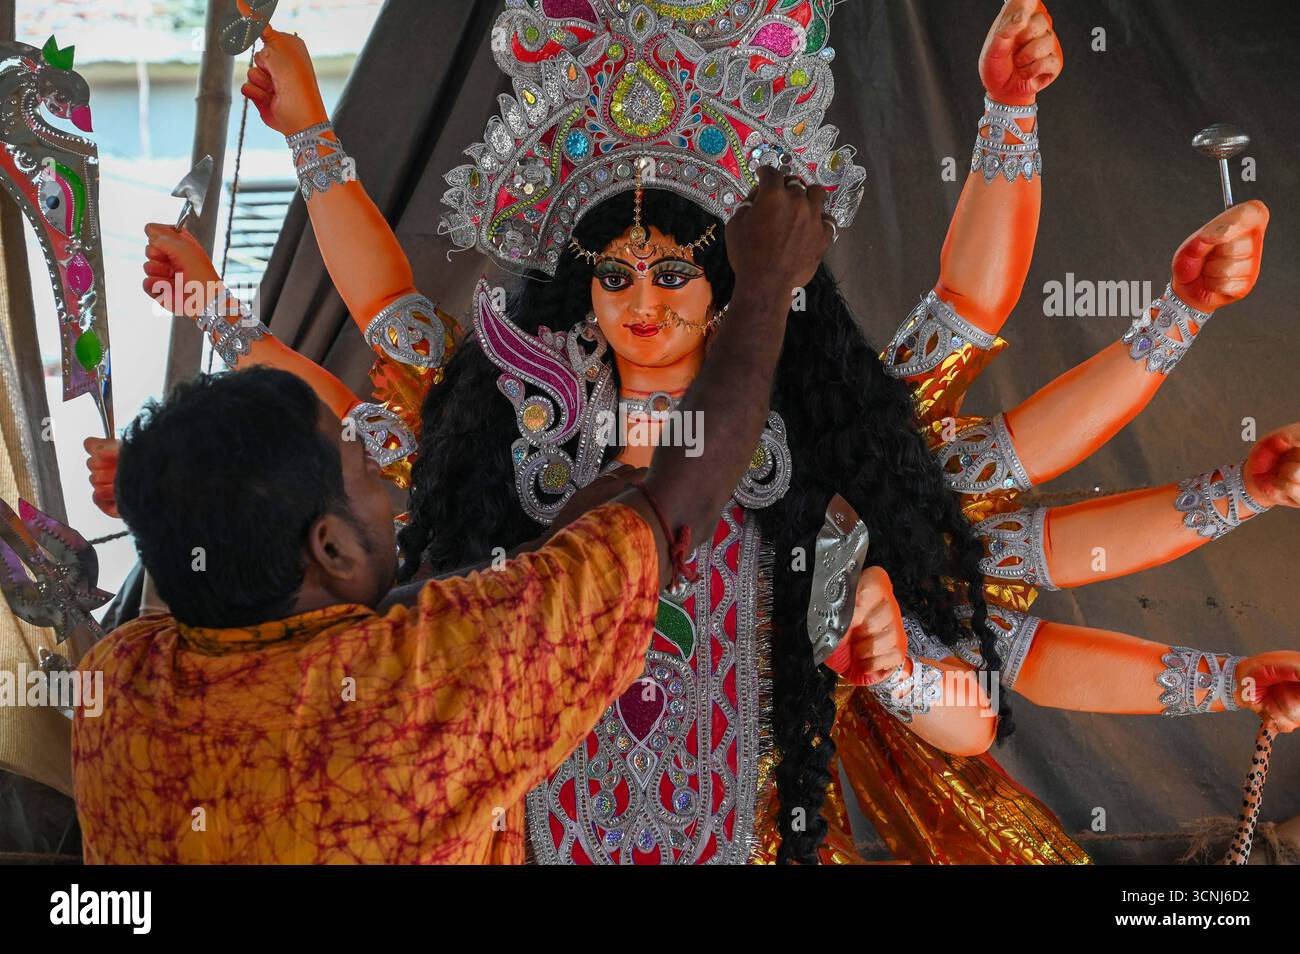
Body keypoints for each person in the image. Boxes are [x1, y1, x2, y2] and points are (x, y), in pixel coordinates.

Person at [102, 0, 1300, 864]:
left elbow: (984, 692)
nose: (644, 298)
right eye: (611, 273)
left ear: (739, 284)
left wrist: (893, 665)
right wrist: (284, 178)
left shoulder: (827, 455)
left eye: (680, 268)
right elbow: (373, 351)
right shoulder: (501, 461)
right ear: (573, 290)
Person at [74, 167, 925, 864]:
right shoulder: (430, 688)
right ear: (327, 545)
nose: (391, 476)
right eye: (365, 467)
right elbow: (683, 501)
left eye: (675, 274)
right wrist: (772, 282)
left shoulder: (118, 682)